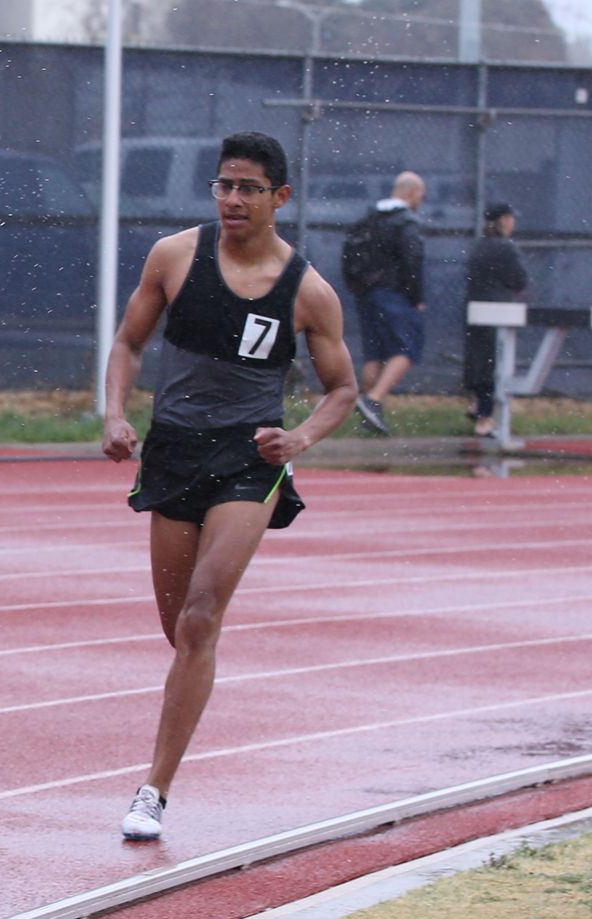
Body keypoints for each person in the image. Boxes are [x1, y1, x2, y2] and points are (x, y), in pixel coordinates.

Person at [101, 131, 357, 841]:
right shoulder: (174, 256)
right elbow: (128, 343)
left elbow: (342, 388)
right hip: (174, 451)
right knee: (180, 629)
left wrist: (298, 439)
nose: (233, 199)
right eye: (224, 186)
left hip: (249, 459)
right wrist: (115, 413)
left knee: (199, 618)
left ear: (280, 197)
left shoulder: (307, 291)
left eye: (248, 188)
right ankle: (199, 674)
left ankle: (153, 791)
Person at [348, 171, 426, 435]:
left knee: (375, 353)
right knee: (407, 347)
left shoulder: (370, 217)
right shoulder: (406, 222)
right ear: (412, 192)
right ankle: (374, 399)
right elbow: (413, 260)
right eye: (421, 195)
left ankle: (369, 419)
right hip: (395, 294)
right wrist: (416, 297)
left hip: (366, 292)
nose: (421, 200)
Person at [464, 202, 528, 438]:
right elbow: (519, 280)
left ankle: (478, 406)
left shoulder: (478, 246)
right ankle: (484, 419)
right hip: (498, 312)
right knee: (494, 365)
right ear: (504, 220)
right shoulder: (506, 248)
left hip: (475, 309)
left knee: (479, 360)